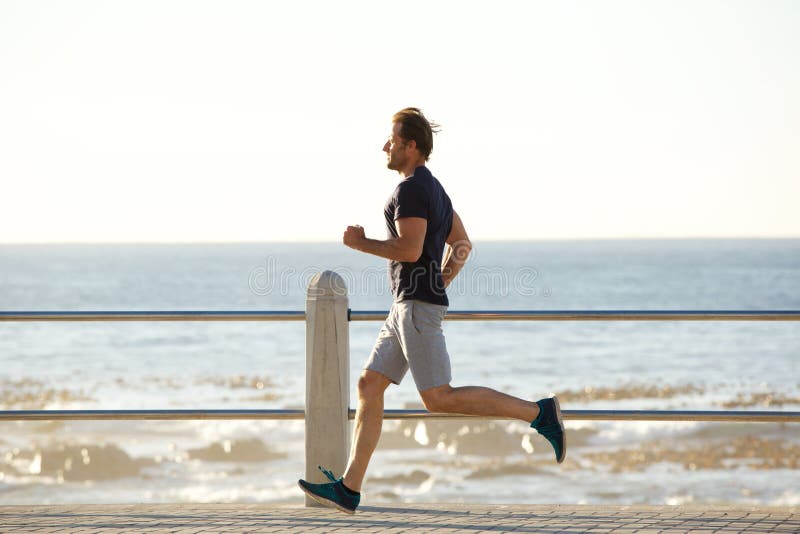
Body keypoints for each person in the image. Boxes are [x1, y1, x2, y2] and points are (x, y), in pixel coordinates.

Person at [298, 107, 565, 514]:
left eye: (392, 140)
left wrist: (361, 243)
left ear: (412, 146)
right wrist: (440, 279)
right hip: (406, 306)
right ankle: (349, 489)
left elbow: (408, 249)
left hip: (416, 307)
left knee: (438, 397)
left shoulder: (412, 191)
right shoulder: (435, 191)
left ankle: (539, 412)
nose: (385, 146)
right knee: (370, 385)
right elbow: (462, 245)